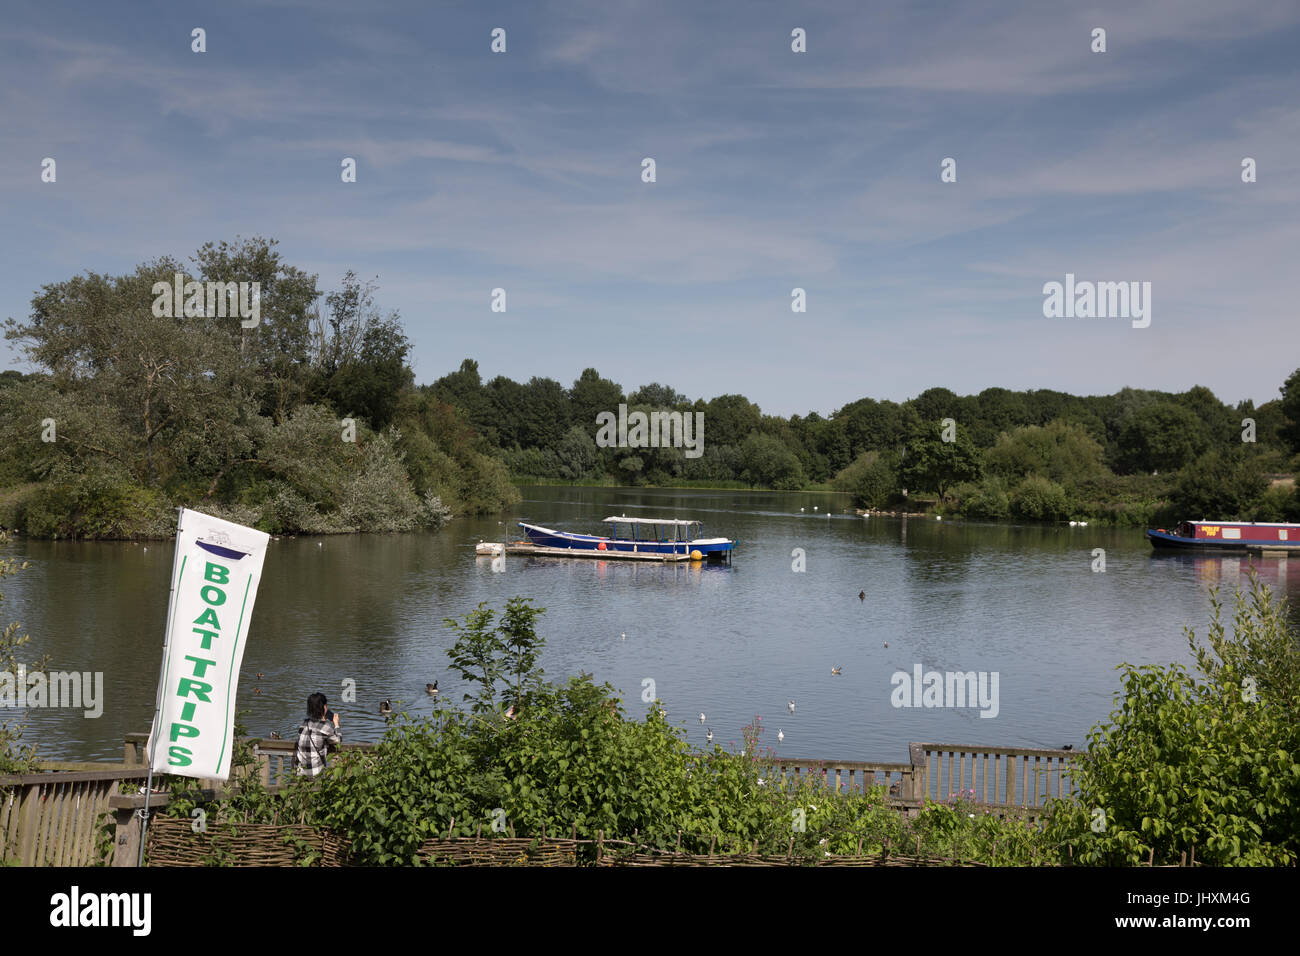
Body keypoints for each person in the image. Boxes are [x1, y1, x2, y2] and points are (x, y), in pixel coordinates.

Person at [291, 692, 341, 777]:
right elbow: (338, 740)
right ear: (324, 707)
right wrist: (336, 724)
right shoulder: (325, 727)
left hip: (299, 772)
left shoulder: (303, 723)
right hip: (316, 773)